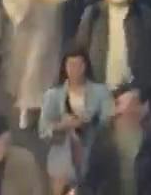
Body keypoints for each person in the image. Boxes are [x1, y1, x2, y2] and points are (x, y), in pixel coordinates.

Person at [1, 0, 73, 127]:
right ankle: (27, 104)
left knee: (40, 61)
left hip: (46, 18)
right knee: (23, 62)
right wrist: (16, 11)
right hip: (23, 18)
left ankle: (34, 104)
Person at [39, 49, 113, 195]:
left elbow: (108, 119)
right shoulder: (53, 95)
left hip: (92, 153)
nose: (74, 70)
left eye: (78, 65)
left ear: (86, 66)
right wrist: (63, 125)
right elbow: (43, 129)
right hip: (62, 157)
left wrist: (88, 121)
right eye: (70, 65)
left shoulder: (101, 92)